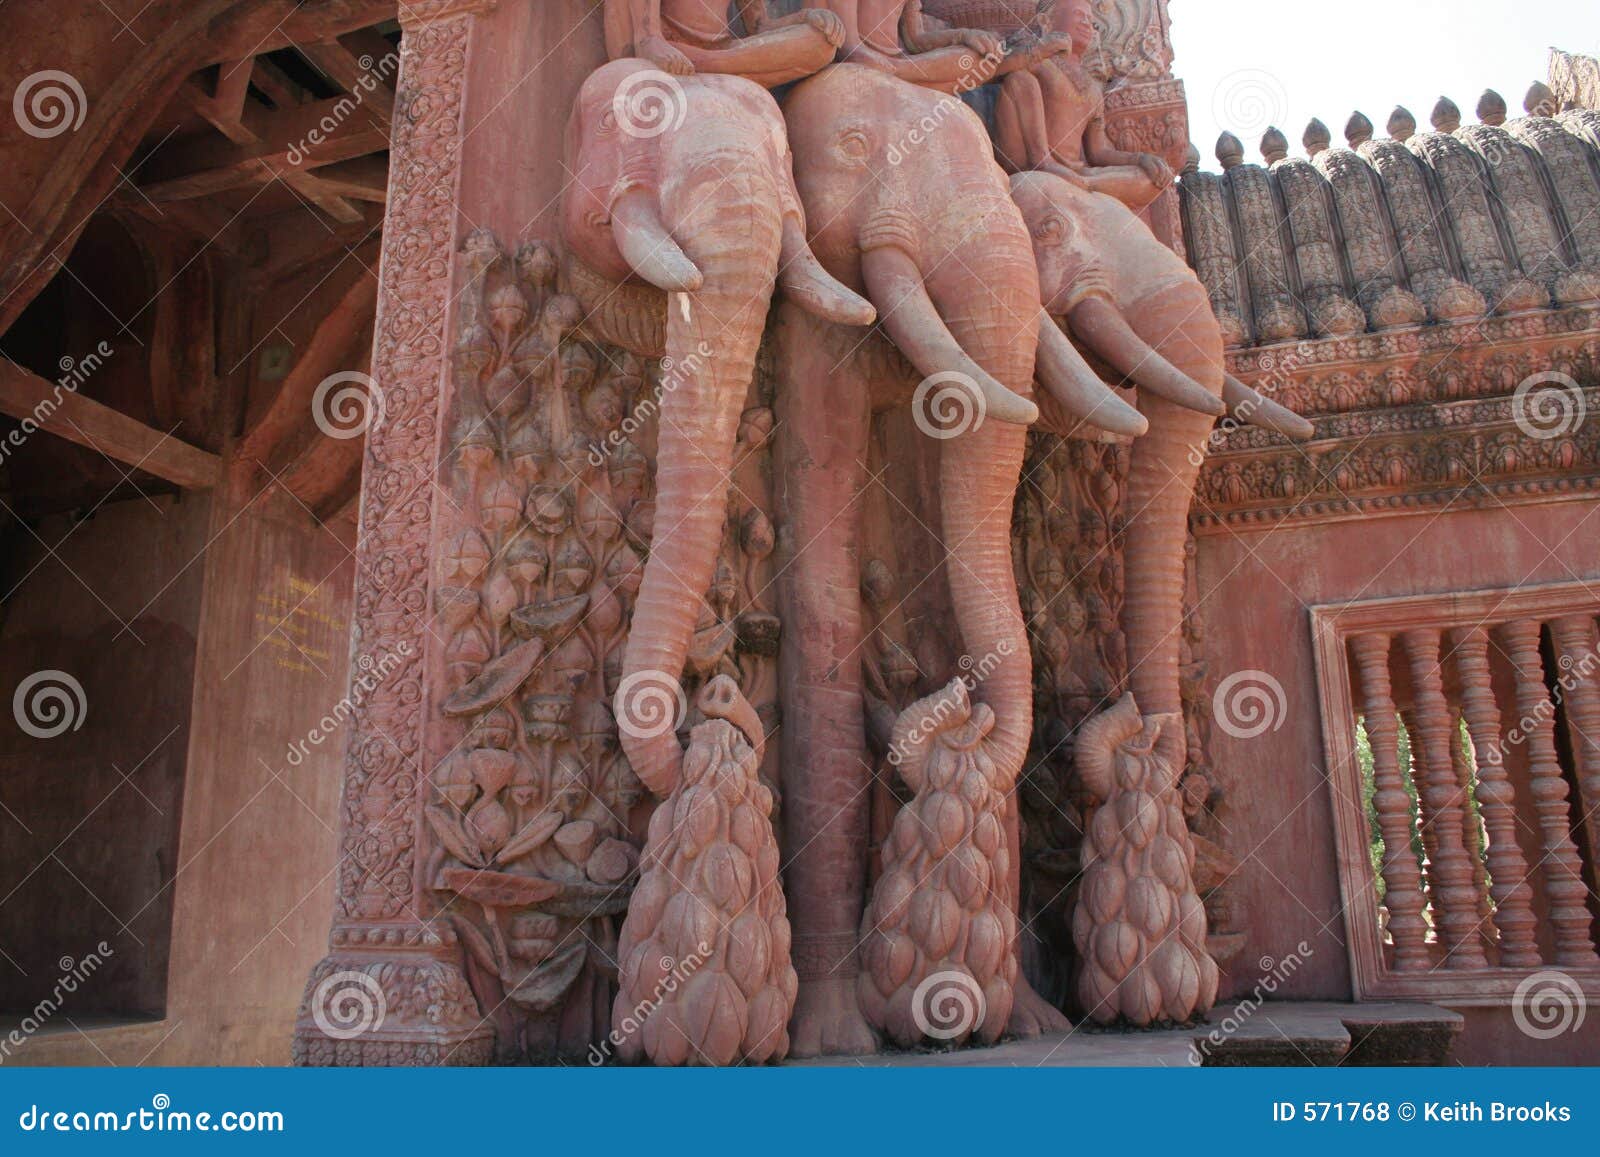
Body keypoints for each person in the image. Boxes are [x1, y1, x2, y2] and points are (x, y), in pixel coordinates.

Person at [993, 0, 1173, 208]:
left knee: (1148, 179)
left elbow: (1097, 152)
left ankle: (1086, 185)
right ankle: (1075, 181)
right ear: (1046, 21)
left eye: (1091, 20)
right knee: (1020, 79)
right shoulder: (1037, 60)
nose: (1088, 24)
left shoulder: (1093, 88)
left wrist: (1140, 159)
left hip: (1078, 172)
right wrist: (1038, 50)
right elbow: (993, 70)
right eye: (1079, 15)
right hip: (1037, 164)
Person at [603, 0, 845, 88]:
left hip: (719, 52)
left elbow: (760, 26)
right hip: (665, 45)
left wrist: (805, 19)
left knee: (821, 46)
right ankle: (714, 69)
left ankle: (706, 67)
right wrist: (651, 38)